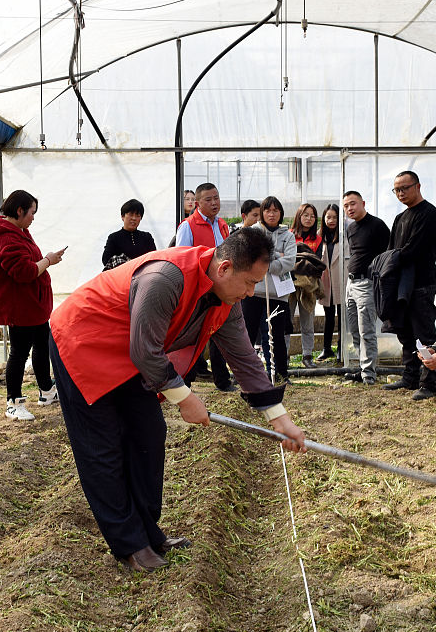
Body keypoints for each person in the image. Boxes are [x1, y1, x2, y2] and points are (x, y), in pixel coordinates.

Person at [49, 227, 308, 571]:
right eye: (249, 283)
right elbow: (146, 351)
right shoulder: (165, 278)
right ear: (225, 268)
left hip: (132, 357)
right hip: (84, 342)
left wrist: (280, 418)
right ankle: (130, 544)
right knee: (103, 448)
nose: (251, 293)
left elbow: (245, 360)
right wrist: (185, 398)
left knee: (149, 435)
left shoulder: (226, 301)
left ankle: (147, 532)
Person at [0, 189, 66, 421]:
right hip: (19, 307)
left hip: (33, 305)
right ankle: (14, 402)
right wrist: (48, 260)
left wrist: (45, 261)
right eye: (31, 212)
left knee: (42, 345)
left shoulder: (19, 231)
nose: (33, 218)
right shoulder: (4, 238)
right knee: (19, 353)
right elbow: (24, 272)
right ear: (19, 211)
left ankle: (46, 391)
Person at [384, 170, 436, 398]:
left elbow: (413, 250)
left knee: (424, 333)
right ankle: (410, 377)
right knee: (406, 333)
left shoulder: (428, 213)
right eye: (396, 190)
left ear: (418, 186)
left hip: (422, 283)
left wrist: (392, 259)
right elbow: (392, 250)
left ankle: (429, 384)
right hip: (402, 284)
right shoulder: (400, 217)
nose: (400, 193)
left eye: (404, 188)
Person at [174, 183, 232, 388]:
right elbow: (181, 260)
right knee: (191, 337)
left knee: (219, 333)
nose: (214, 202)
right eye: (209, 199)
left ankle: (222, 380)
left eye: (216, 198)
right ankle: (185, 382)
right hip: (197, 290)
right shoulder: (187, 226)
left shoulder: (222, 225)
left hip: (220, 289)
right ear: (197, 204)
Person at [241, 196, 297, 382]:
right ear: (262, 213)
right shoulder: (253, 233)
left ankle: (280, 374)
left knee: (276, 336)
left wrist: (265, 261)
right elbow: (250, 259)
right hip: (253, 292)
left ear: (280, 213)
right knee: (247, 335)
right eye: (267, 210)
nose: (271, 214)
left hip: (278, 295)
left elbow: (289, 262)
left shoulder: (288, 236)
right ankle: (244, 374)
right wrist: (277, 256)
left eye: (275, 210)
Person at [342, 190, 389, 385]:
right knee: (354, 329)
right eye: (346, 206)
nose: (349, 208)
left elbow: (388, 256)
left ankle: (369, 373)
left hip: (367, 283)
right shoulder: (351, 228)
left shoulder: (378, 226)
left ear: (363, 203)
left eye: (353, 203)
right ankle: (363, 369)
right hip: (350, 283)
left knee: (366, 330)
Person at [289, 203, 322, 368]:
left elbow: (318, 262)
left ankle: (307, 356)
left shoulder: (318, 239)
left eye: (312, 216)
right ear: (299, 216)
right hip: (289, 284)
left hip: (309, 285)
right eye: (306, 215)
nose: (309, 219)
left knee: (307, 322)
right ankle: (284, 356)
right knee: (286, 321)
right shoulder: (289, 235)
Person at [317, 203, 343, 362]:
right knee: (329, 316)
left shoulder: (343, 235)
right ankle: (326, 348)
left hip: (340, 280)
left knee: (342, 317)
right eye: (329, 217)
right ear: (324, 218)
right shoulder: (320, 236)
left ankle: (341, 348)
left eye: (335, 217)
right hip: (326, 281)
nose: (331, 220)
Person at [102, 198, 157, 269]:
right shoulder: (114, 237)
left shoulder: (147, 237)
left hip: (144, 273)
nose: (134, 218)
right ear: (123, 216)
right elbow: (106, 260)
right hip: (122, 273)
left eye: (137, 215)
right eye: (131, 214)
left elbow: (154, 258)